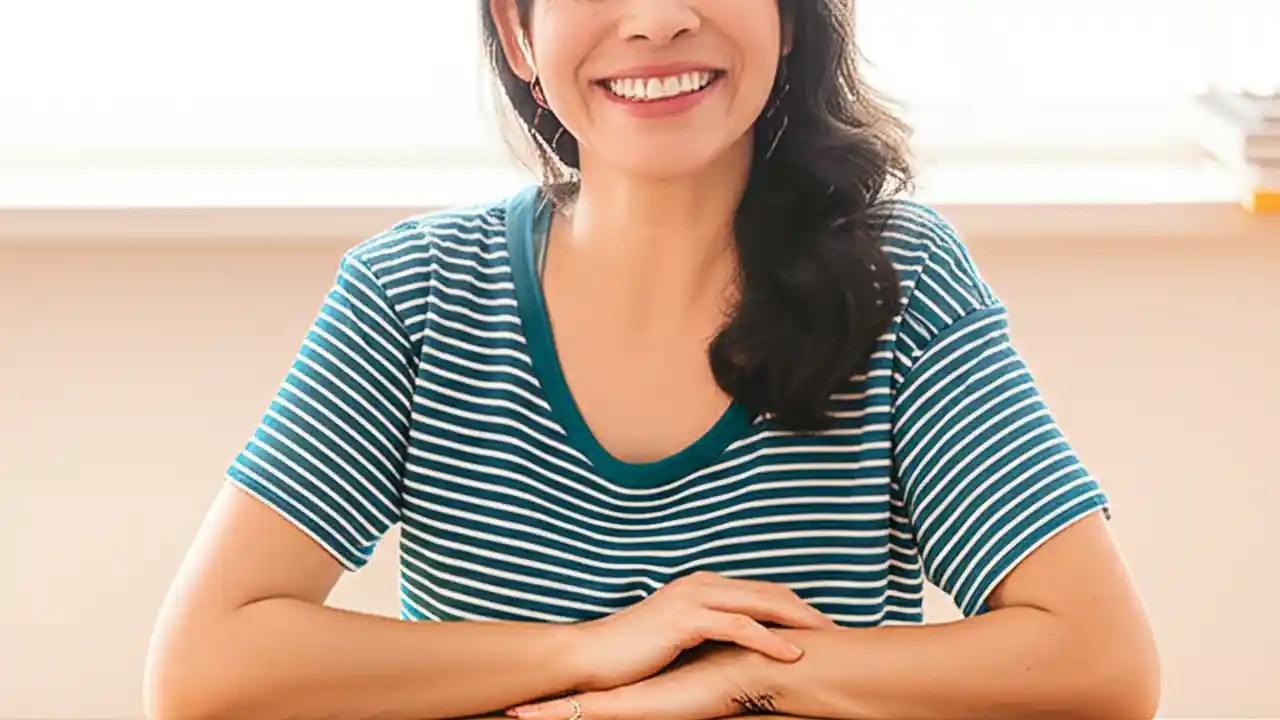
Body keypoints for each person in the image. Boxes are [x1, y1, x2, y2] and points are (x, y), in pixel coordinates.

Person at [143, 1, 1161, 718]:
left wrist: (744, 678)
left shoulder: (899, 278)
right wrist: (591, 650)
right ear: (516, 29)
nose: (658, 16)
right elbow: (204, 668)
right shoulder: (412, 293)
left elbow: (1099, 660)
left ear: (790, 16)